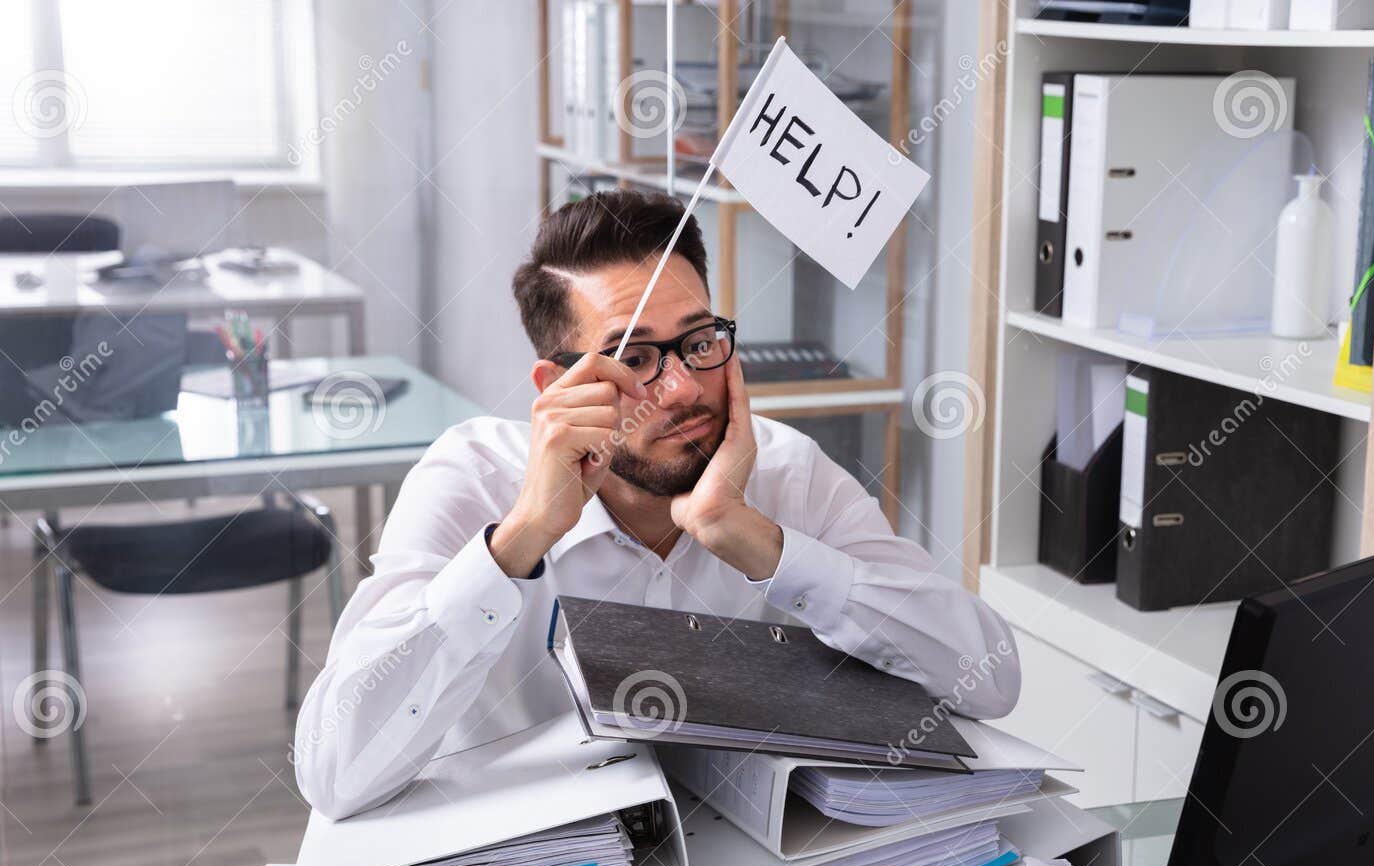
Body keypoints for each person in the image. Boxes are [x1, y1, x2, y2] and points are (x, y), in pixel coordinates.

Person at [293, 189, 1019, 819]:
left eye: (699, 342)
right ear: (556, 388)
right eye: (634, 358)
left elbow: (988, 678)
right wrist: (519, 539)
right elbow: (333, 773)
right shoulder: (471, 478)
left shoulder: (788, 472)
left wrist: (759, 543)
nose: (683, 389)